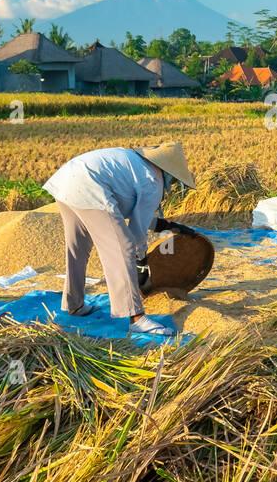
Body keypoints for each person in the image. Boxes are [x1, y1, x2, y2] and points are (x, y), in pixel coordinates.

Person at [41, 141, 196, 337]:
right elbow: (136, 232)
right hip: (88, 185)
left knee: (77, 247)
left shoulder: (137, 165)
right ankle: (136, 318)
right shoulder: (154, 182)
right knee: (123, 248)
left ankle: (74, 304)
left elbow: (133, 212)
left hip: (67, 179)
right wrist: (140, 262)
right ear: (171, 174)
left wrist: (170, 226)